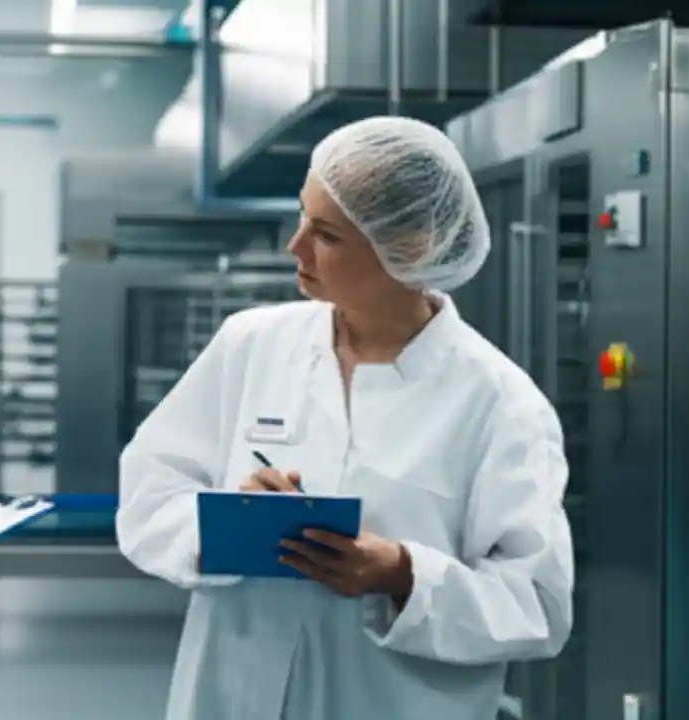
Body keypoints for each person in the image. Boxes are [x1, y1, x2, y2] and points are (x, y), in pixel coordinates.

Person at [116, 116, 574, 720]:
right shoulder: (251, 345)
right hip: (233, 695)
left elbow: (537, 604)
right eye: (303, 217)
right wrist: (227, 519)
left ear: (407, 247)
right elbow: (149, 494)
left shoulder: (498, 403)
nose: (295, 246)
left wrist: (403, 574)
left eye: (326, 235)